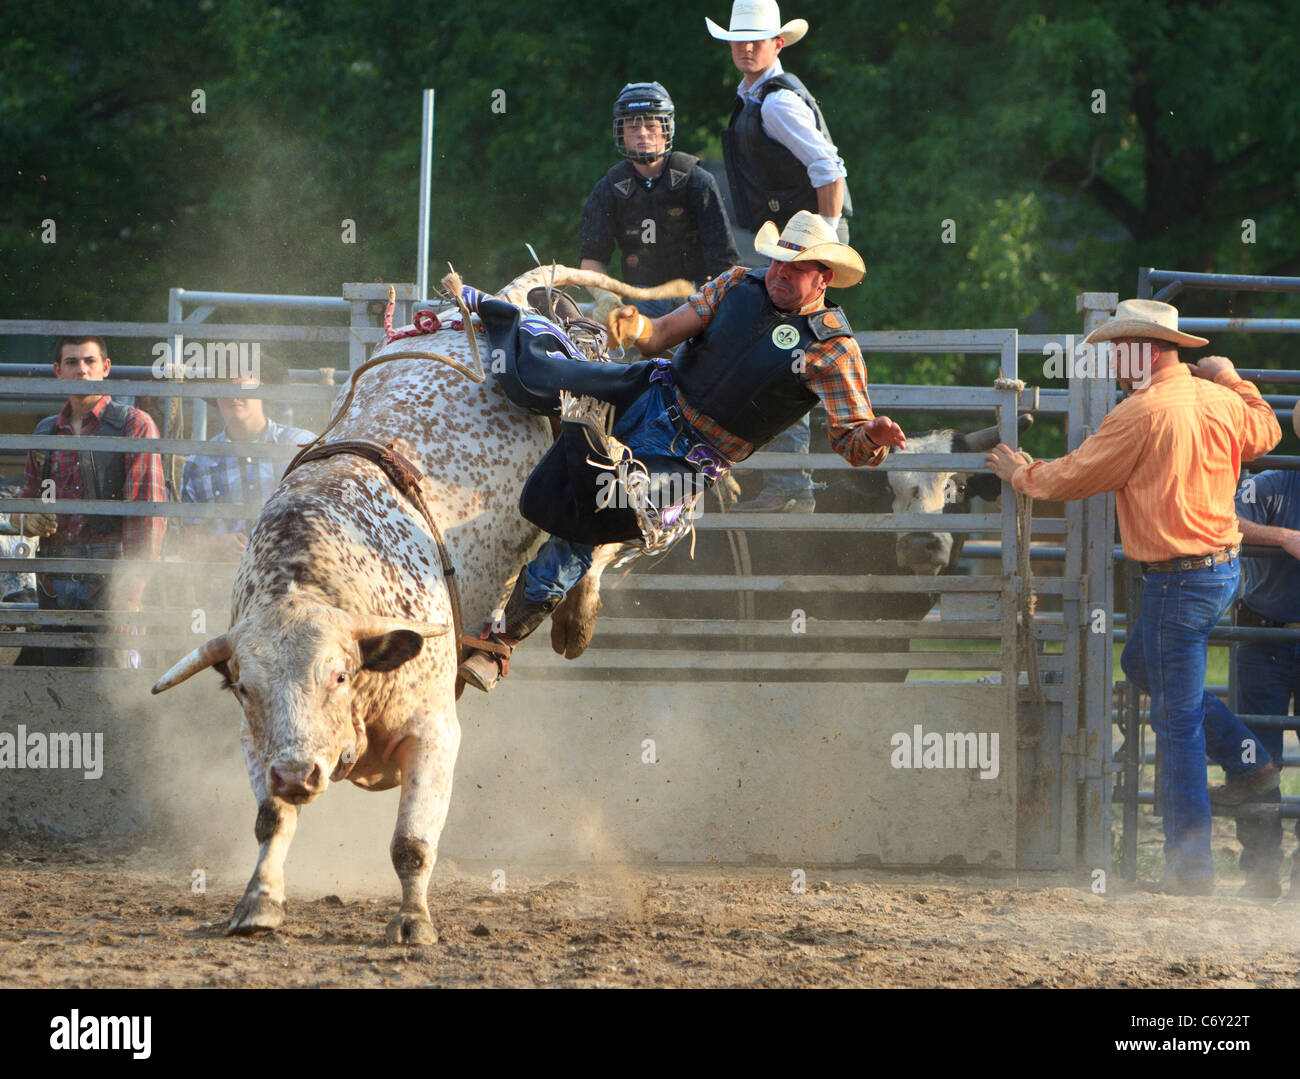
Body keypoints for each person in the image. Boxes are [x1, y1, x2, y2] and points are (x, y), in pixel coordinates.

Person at [459, 211, 905, 692]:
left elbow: (853, 445)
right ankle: (499, 314)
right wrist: (636, 327)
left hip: (694, 458)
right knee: (540, 378)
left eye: (793, 270)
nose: (777, 273)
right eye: (777, 262)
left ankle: (499, 643)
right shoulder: (738, 284)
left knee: (600, 508)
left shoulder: (834, 349)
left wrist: (873, 436)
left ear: (824, 278)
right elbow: (665, 333)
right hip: (649, 391)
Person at [985, 299, 1281, 895]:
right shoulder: (1220, 401)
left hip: (1177, 579)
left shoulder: (1138, 414)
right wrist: (1230, 376)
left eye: (1119, 351)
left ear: (1144, 351)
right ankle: (1250, 760)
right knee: (1143, 668)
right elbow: (1268, 430)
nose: (1115, 365)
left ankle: (1191, 868)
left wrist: (1021, 474)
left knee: (1174, 723)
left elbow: (1072, 477)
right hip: (1220, 571)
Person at [710, 2, 853, 513]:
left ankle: (791, 485)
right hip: (790, 243)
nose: (746, 48)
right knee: (778, 343)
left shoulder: (775, 103)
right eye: (739, 40)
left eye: (757, 40)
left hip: (803, 243)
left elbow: (828, 167)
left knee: (786, 346)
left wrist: (823, 242)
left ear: (778, 43)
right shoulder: (756, 96)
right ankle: (783, 480)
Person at [10, 336, 167, 666]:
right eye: (72, 362)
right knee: (59, 690)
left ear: (105, 368)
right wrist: (27, 519)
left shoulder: (133, 425)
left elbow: (147, 516)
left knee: (110, 692)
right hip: (54, 584)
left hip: (110, 581)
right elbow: (26, 501)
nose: (81, 369)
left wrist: (133, 589)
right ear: (58, 371)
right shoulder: (45, 432)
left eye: (89, 361)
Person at [1209, 424, 1300, 899]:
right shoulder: (1272, 480)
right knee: (1255, 758)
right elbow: (1226, 519)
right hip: (1262, 635)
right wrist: (1283, 536)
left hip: (1264, 634)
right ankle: (1261, 872)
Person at [579, 82, 739, 320]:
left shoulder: (697, 181)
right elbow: (592, 259)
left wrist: (718, 306)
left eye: (651, 126)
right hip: (639, 300)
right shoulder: (610, 187)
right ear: (621, 132)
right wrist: (607, 300)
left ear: (666, 129)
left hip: (695, 296)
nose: (642, 134)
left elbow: (725, 262)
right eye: (632, 126)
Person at [181, 364, 316, 562]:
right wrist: (218, 544)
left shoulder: (302, 446)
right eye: (224, 386)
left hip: (292, 581)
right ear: (216, 395)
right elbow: (188, 543)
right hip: (224, 584)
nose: (234, 394)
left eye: (241, 384)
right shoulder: (198, 463)